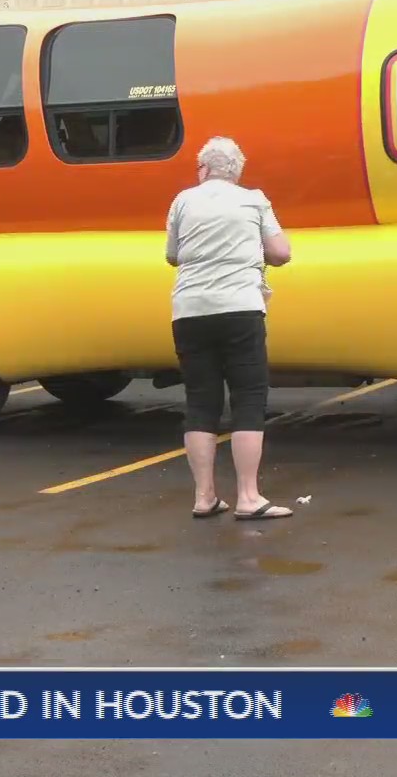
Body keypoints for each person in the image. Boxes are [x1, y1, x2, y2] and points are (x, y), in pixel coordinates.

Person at [164, 136, 293, 522]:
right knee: (248, 399)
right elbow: (282, 253)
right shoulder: (253, 199)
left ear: (202, 169)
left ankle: (204, 497)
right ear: (237, 172)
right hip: (239, 309)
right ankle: (249, 497)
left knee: (201, 400)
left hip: (189, 311)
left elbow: (172, 255)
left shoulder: (183, 200)